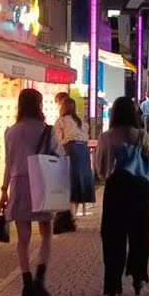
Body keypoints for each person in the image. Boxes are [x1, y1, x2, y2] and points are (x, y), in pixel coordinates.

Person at [0, 89, 66, 296]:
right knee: (46, 234)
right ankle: (39, 280)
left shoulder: (11, 132)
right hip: (43, 183)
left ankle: (26, 286)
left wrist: (4, 190)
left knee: (23, 239)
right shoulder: (46, 130)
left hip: (19, 185)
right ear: (38, 105)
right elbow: (59, 155)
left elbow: (8, 163)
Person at [94, 96, 149, 296]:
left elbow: (100, 168)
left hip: (114, 191)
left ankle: (114, 289)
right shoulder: (140, 136)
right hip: (138, 192)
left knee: (113, 240)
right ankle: (138, 275)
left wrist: (108, 175)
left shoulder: (105, 137)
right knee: (139, 236)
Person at [53, 92, 94, 232]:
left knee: (68, 185)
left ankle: (71, 218)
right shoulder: (81, 122)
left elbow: (57, 141)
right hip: (83, 153)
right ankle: (73, 217)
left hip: (69, 151)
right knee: (78, 186)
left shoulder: (61, 121)